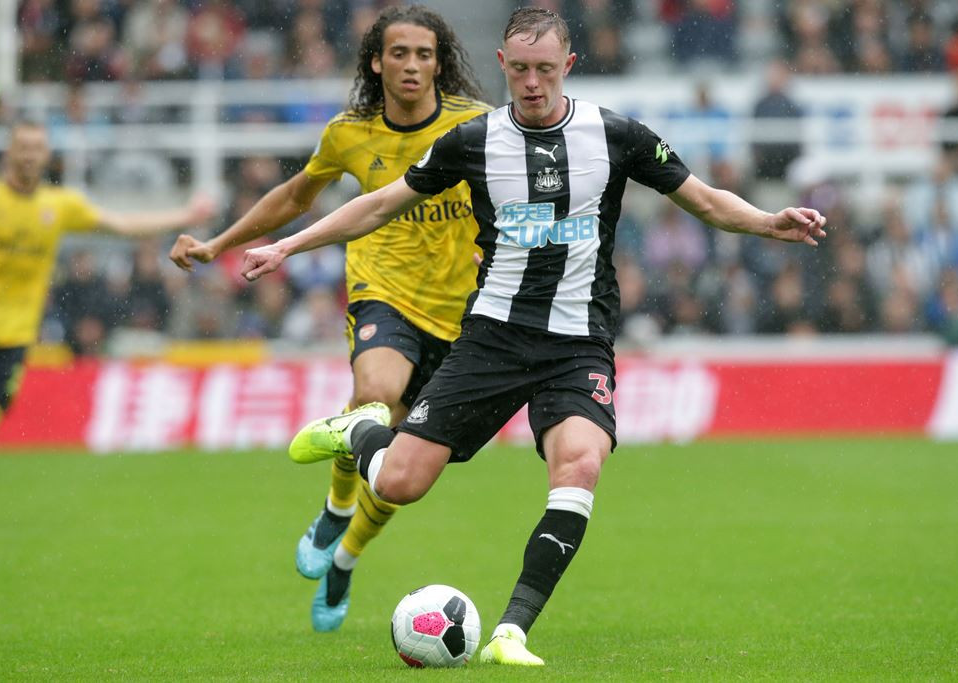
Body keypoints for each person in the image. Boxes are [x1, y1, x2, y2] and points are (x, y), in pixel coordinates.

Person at [241, 7, 827, 666]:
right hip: (493, 338)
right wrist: (287, 245)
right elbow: (377, 204)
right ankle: (358, 432)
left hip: (578, 344)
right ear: (502, 65)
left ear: (567, 65)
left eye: (545, 69)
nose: (531, 82)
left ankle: (511, 630)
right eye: (519, 69)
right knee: (401, 483)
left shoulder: (617, 135)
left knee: (580, 463)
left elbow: (708, 200)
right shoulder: (472, 141)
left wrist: (769, 222)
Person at [167, 6, 489, 633]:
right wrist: (218, 244)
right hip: (384, 292)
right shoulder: (350, 133)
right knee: (374, 397)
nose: (412, 65)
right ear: (377, 62)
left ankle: (346, 557)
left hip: (463, 312)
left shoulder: (475, 125)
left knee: (403, 465)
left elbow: (518, 191)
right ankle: (335, 511)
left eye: (424, 54)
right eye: (400, 53)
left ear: (439, 63)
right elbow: (295, 195)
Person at [0, 120, 213, 426]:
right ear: (9, 153)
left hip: (17, 336)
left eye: (37, 148)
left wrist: (186, 215)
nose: (29, 155)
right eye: (23, 148)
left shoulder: (58, 205)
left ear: (47, 155)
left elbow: (123, 224)